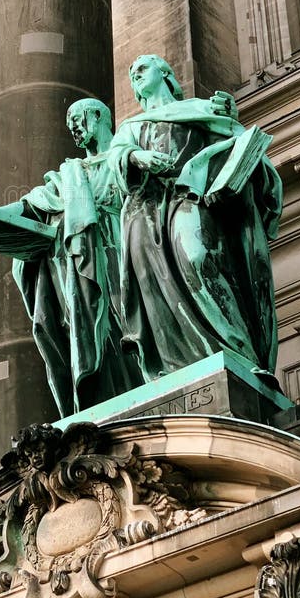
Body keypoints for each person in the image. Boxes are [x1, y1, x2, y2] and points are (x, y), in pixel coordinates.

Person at [108, 54, 283, 385]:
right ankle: (177, 368)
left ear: (167, 74)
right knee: (153, 286)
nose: (136, 77)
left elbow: (241, 151)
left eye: (143, 69)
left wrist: (232, 148)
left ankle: (239, 353)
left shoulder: (205, 112)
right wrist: (137, 156)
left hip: (194, 200)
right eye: (132, 75)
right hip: (146, 214)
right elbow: (116, 159)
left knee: (198, 259)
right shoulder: (130, 128)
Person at [0, 98, 143, 417]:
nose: (73, 127)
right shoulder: (69, 175)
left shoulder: (123, 158)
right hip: (81, 265)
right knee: (91, 330)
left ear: (99, 116)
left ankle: (139, 385)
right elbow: (31, 205)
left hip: (122, 250)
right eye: (69, 123)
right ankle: (105, 393)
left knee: (128, 324)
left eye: (78, 118)